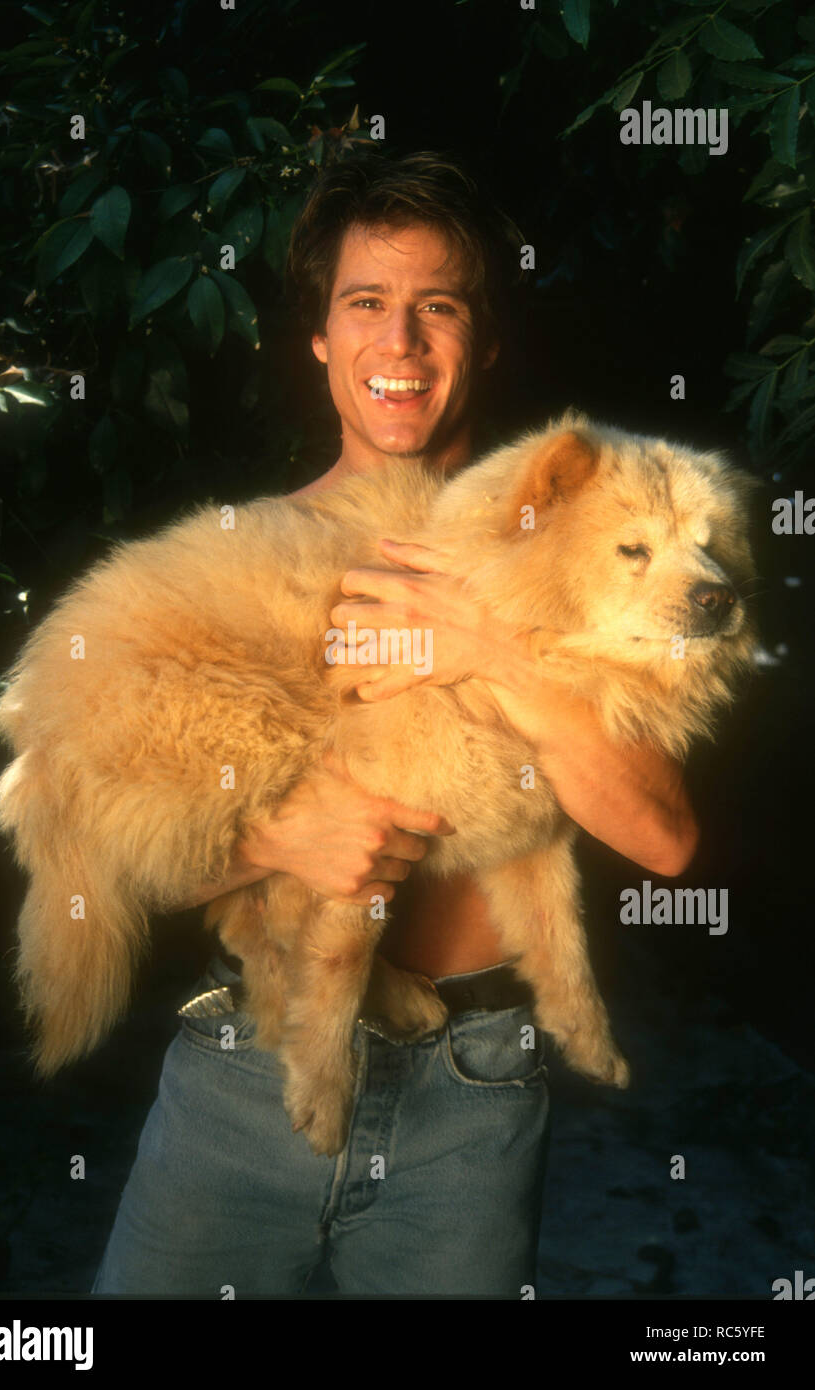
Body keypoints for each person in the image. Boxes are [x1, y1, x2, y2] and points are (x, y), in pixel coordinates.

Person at [91, 152, 697, 1298]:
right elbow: (114, 853)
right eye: (365, 303)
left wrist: (490, 647)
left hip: (471, 1093)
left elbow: (665, 837)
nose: (401, 344)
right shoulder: (234, 561)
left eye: (439, 308)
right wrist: (274, 842)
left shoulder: (580, 554)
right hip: (245, 1070)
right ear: (319, 337)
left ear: (487, 339)